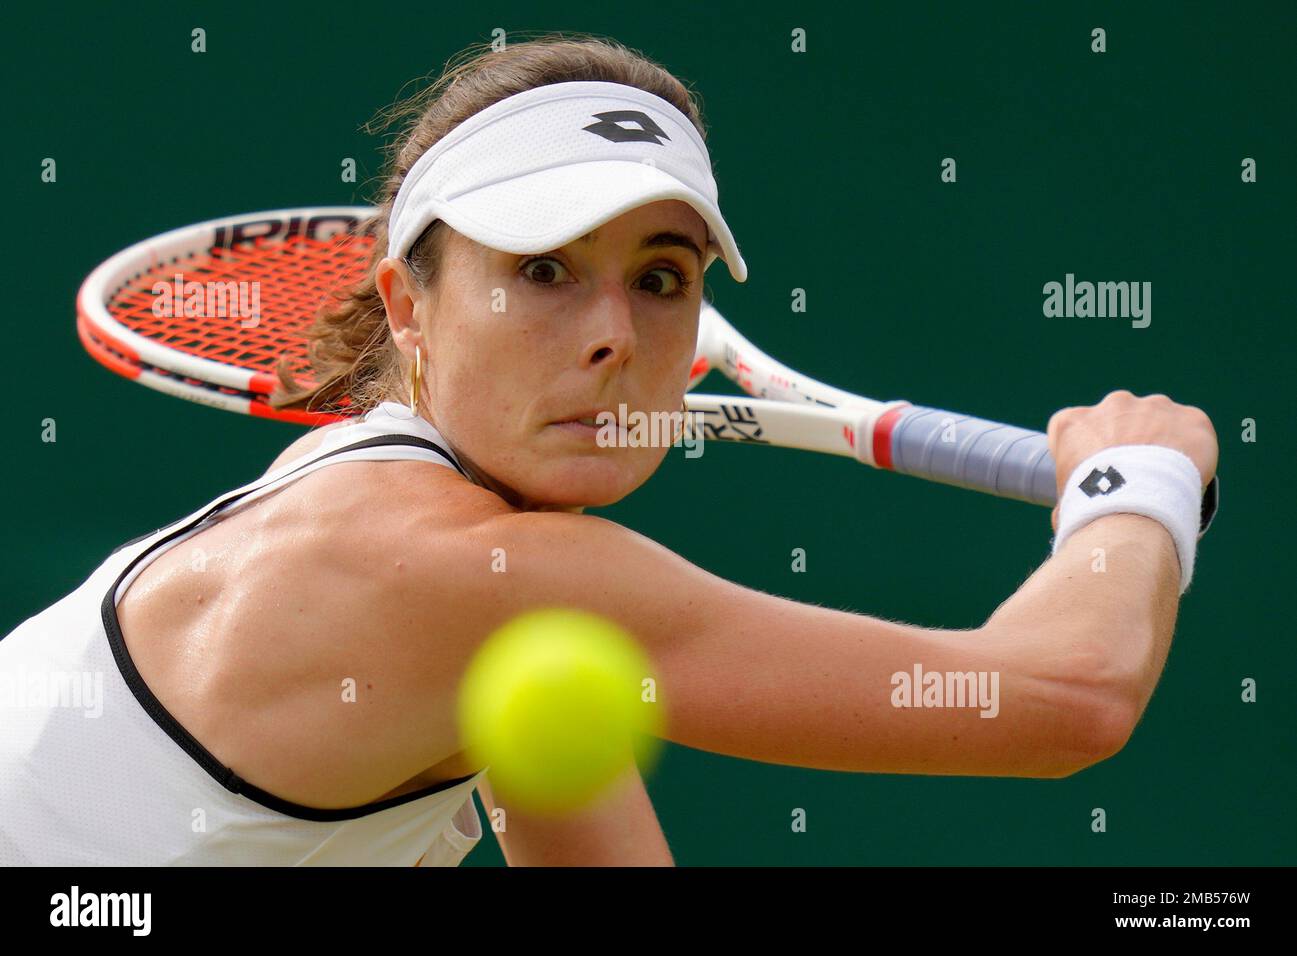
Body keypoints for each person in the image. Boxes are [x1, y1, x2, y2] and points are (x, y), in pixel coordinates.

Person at [0, 34, 1218, 866]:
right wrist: (1135, 484)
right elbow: (1064, 696)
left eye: (658, 278)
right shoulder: (451, 572)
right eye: (540, 271)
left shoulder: (458, 572)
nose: (610, 336)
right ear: (408, 307)